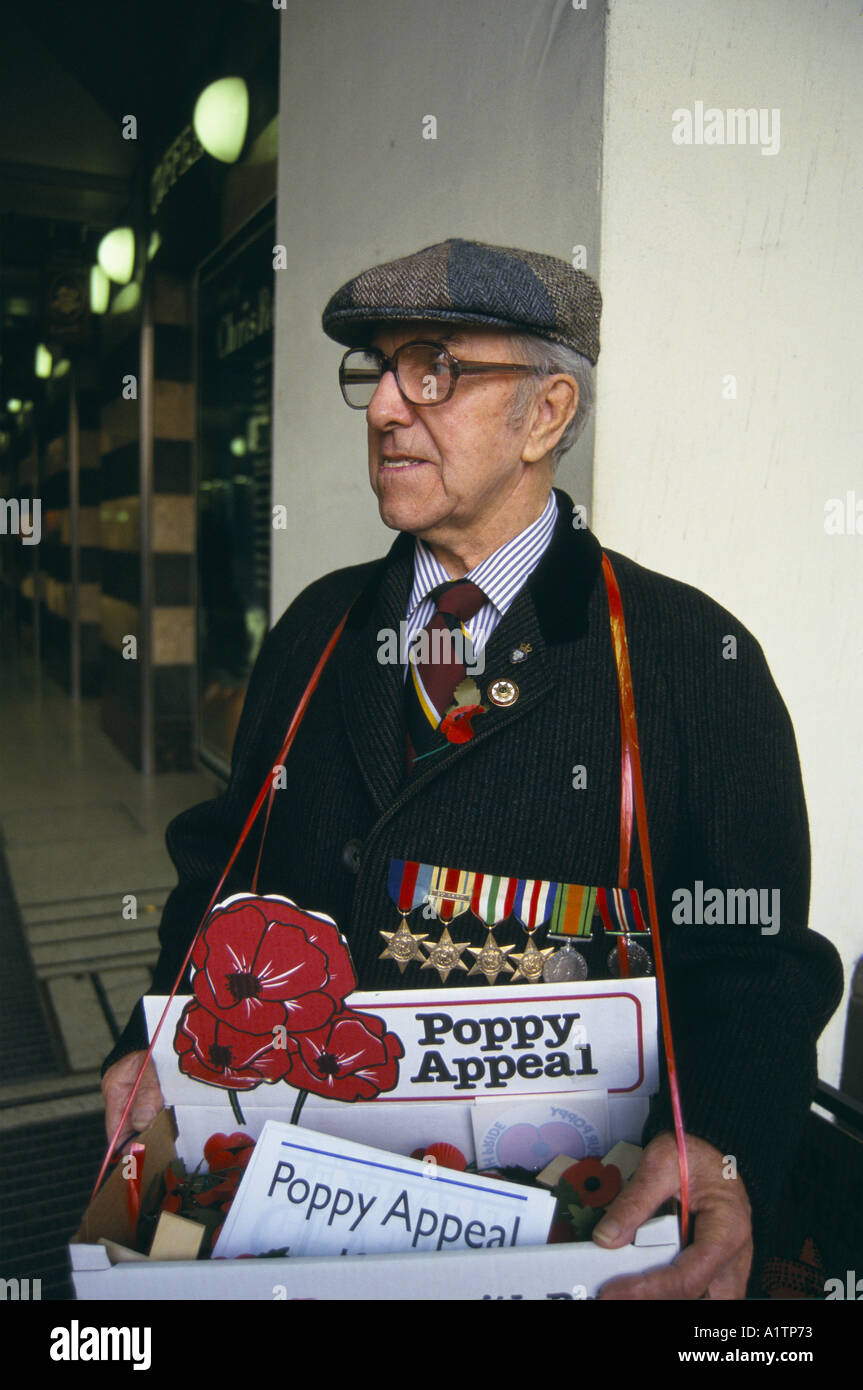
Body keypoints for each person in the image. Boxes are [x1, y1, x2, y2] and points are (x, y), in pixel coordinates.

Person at [101, 237, 843, 1299]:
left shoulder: (687, 659)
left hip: (555, 1228)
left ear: (544, 414)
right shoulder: (315, 627)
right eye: (379, 369)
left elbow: (753, 969)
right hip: (293, 1207)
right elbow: (225, 861)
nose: (385, 408)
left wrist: (718, 1145)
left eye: (435, 369)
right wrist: (153, 1035)